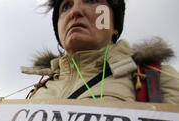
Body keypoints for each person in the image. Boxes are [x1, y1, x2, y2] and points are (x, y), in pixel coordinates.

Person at [22, 0, 179, 104]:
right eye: (66, 6)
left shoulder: (158, 79)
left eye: (91, 0)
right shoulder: (39, 90)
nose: (74, 12)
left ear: (114, 24)